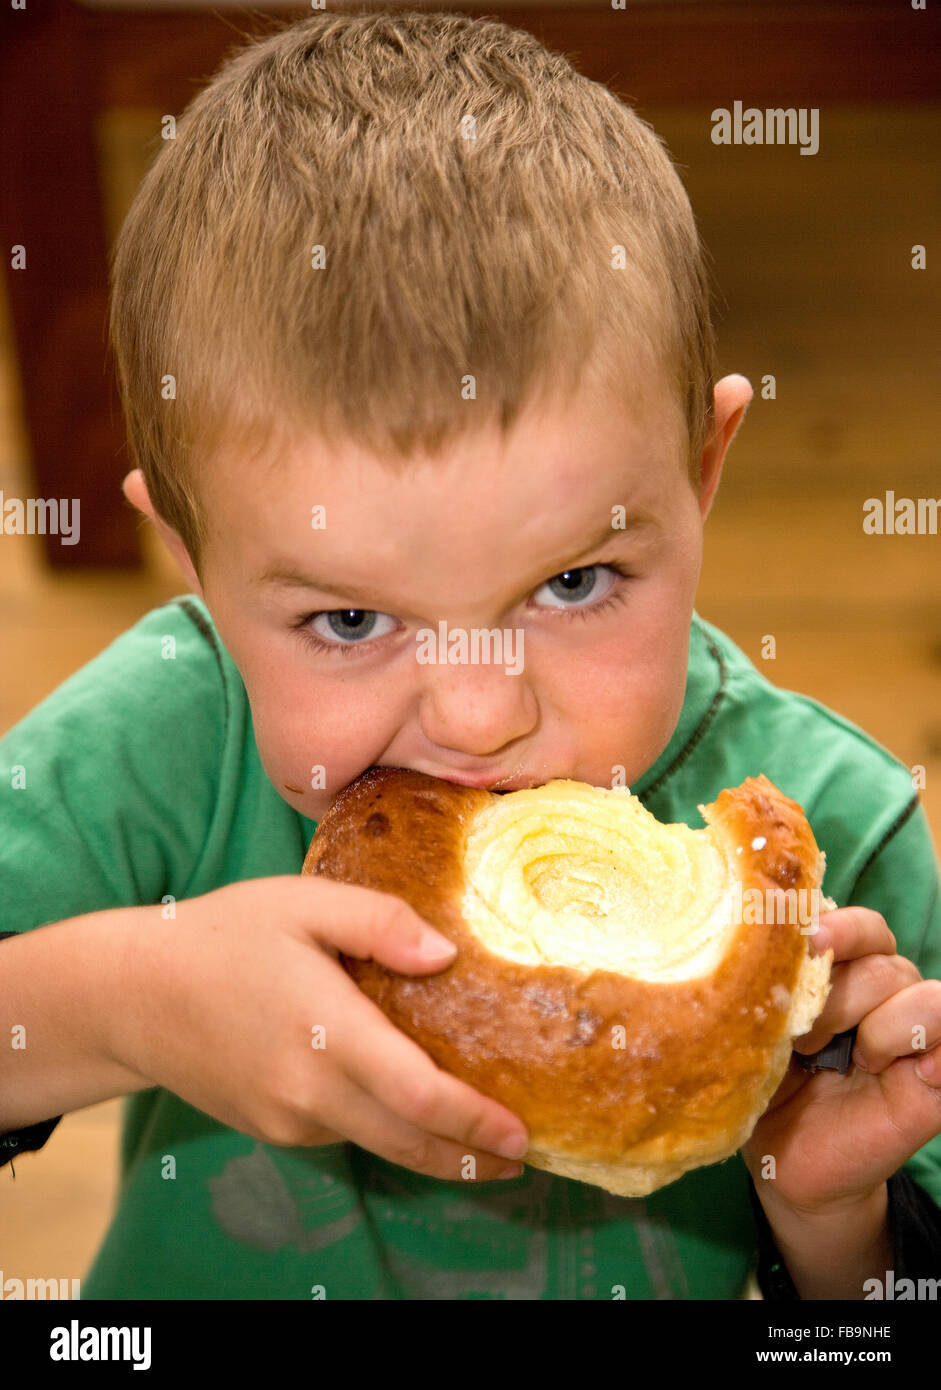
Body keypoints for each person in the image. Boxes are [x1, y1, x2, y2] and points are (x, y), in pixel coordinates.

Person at [2, 10, 940, 1301]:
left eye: (572, 580)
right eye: (347, 620)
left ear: (700, 474)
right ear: (194, 565)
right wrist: (122, 998)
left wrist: (835, 1215)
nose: (480, 711)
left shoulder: (828, 847)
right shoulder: (159, 739)